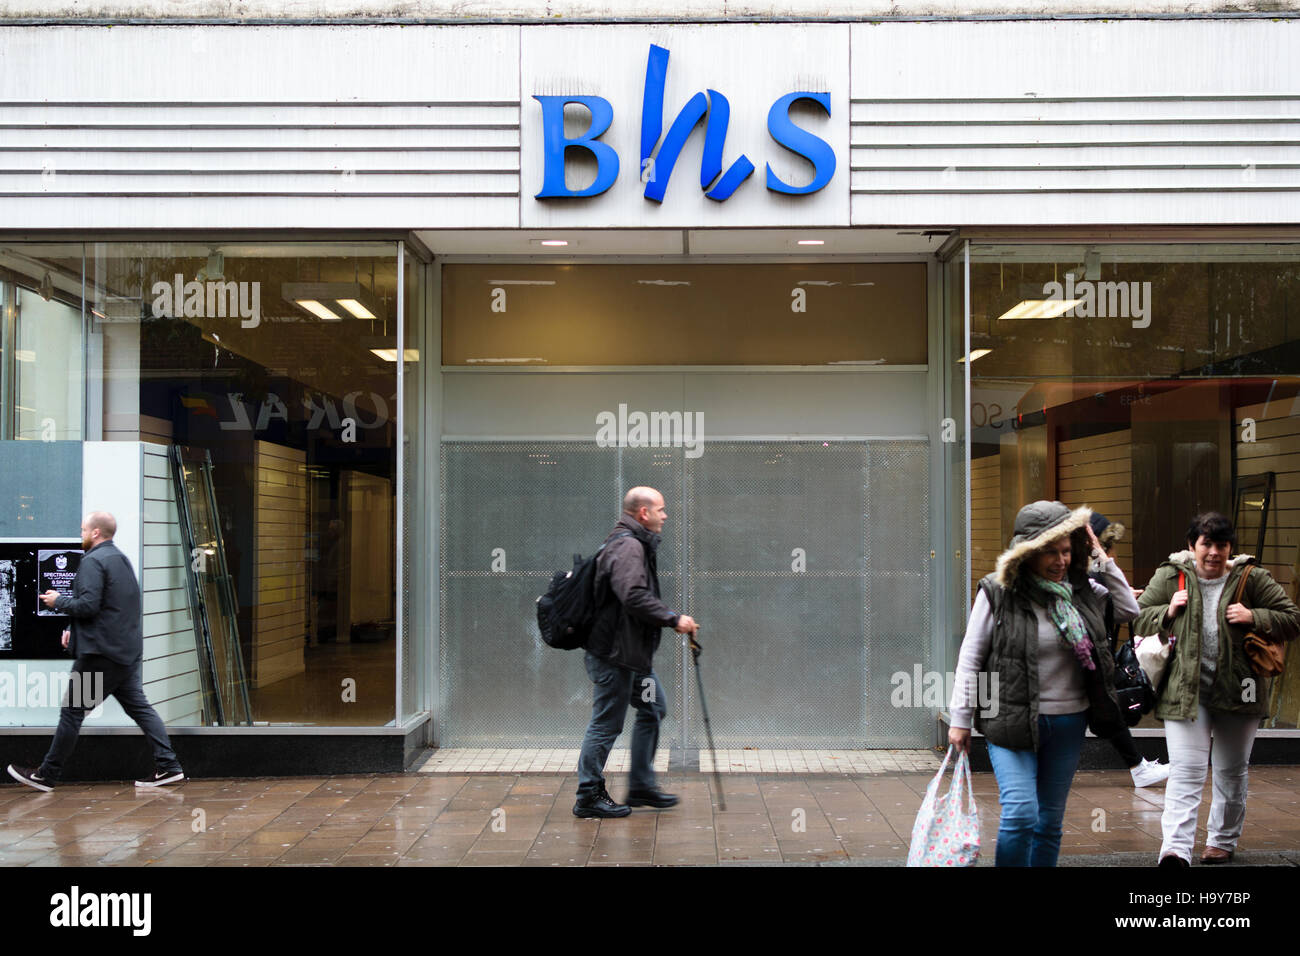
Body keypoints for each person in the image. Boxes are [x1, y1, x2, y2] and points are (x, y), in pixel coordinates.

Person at [949, 501, 1135, 866]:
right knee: (1020, 814)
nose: (1060, 561)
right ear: (1027, 552)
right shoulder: (997, 593)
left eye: (1066, 551)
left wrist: (1099, 555)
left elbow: (1129, 609)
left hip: (1068, 720)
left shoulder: (1084, 593)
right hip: (1012, 720)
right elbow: (970, 657)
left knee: (1049, 822)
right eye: (1050, 551)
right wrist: (960, 718)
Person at [1135, 512, 1300, 867]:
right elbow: (1137, 615)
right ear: (1192, 545)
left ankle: (1221, 842)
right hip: (1185, 690)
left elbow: (1292, 619)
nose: (1213, 552)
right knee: (1186, 770)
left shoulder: (1252, 578)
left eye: (1221, 545)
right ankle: (1175, 849)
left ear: (1230, 547)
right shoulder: (1171, 575)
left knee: (1230, 770)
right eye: (1206, 544)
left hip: (1241, 688)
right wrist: (1167, 611)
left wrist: (1255, 617)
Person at [7, 511, 186, 791]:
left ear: (95, 533)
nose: (80, 536)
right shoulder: (120, 560)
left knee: (72, 713)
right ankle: (170, 766)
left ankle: (46, 775)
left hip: (99, 657)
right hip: (124, 653)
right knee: (141, 709)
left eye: (82, 531)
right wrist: (73, 629)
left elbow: (89, 605)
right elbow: (110, 607)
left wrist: (58, 601)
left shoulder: (93, 561)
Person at [573, 486, 699, 819]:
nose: (665, 515)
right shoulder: (628, 546)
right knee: (606, 724)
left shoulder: (631, 542)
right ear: (643, 513)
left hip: (630, 655)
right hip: (615, 656)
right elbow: (633, 595)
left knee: (653, 707)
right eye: (661, 509)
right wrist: (674, 618)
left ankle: (642, 784)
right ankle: (588, 795)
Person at [1087, 513, 1170, 789]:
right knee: (1101, 712)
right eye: (1109, 547)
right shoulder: (1090, 573)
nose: (1112, 554)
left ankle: (1138, 767)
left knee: (1102, 713)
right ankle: (1139, 767)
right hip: (1089, 659)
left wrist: (1118, 595)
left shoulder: (1095, 571)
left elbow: (1121, 608)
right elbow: (1100, 605)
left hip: (1093, 659)